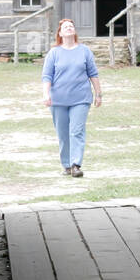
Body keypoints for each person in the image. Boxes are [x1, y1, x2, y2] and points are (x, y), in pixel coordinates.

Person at [42, 18, 102, 177]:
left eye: (71, 26)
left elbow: (93, 74)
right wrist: (46, 95)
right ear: (60, 33)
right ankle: (66, 165)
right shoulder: (54, 53)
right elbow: (47, 76)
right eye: (65, 27)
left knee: (76, 131)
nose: (69, 28)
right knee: (63, 133)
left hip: (80, 98)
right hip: (58, 100)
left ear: (74, 31)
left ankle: (76, 165)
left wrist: (98, 94)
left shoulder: (84, 51)